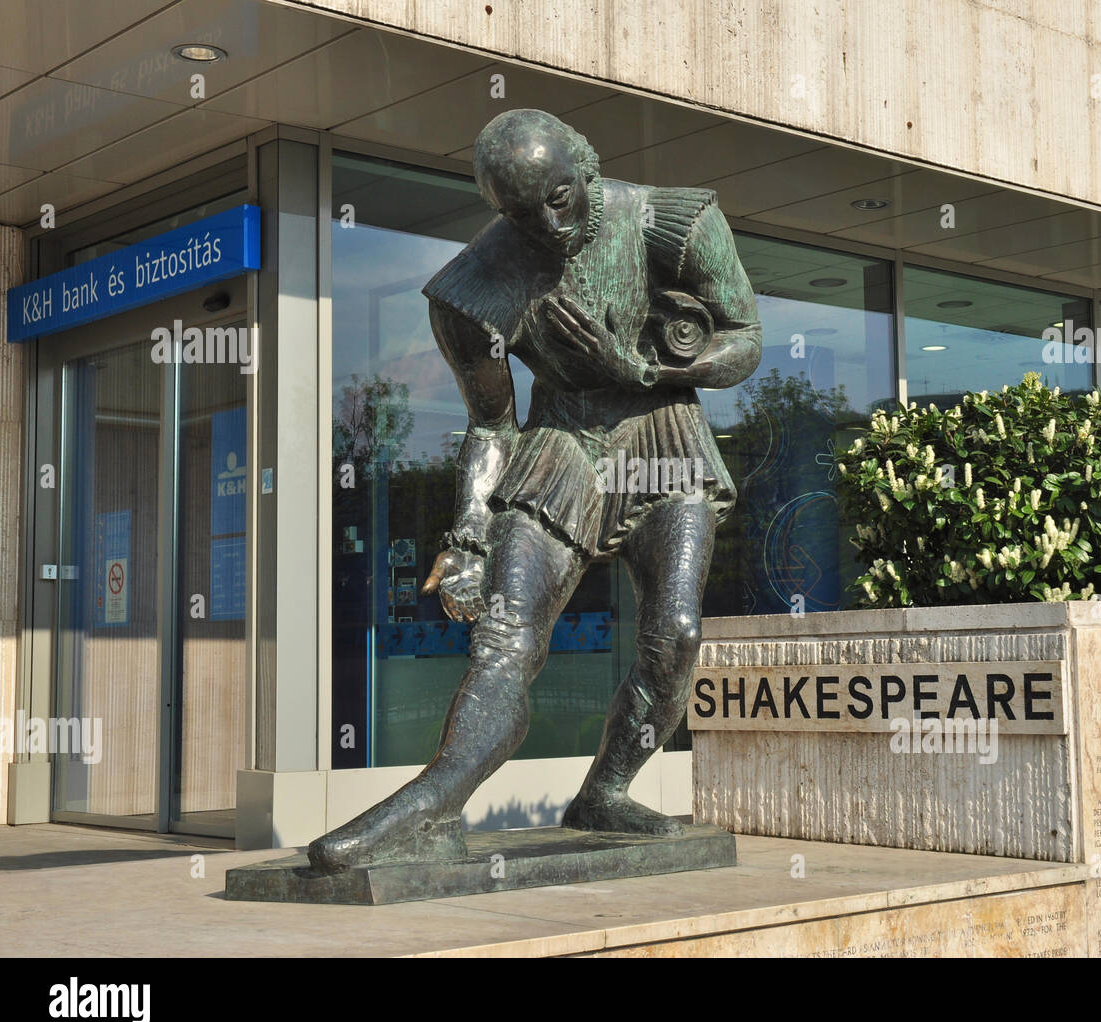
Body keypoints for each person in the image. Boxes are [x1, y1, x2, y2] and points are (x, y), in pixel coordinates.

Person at [309, 109, 762, 872]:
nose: (549, 226)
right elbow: (491, 424)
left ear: (585, 166)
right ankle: (435, 798)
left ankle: (606, 790)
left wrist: (648, 371)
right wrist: (467, 536)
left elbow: (745, 338)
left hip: (663, 437)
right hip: (562, 449)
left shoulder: (672, 222)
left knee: (676, 631)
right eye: (523, 215)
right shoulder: (474, 288)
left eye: (560, 198)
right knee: (506, 635)